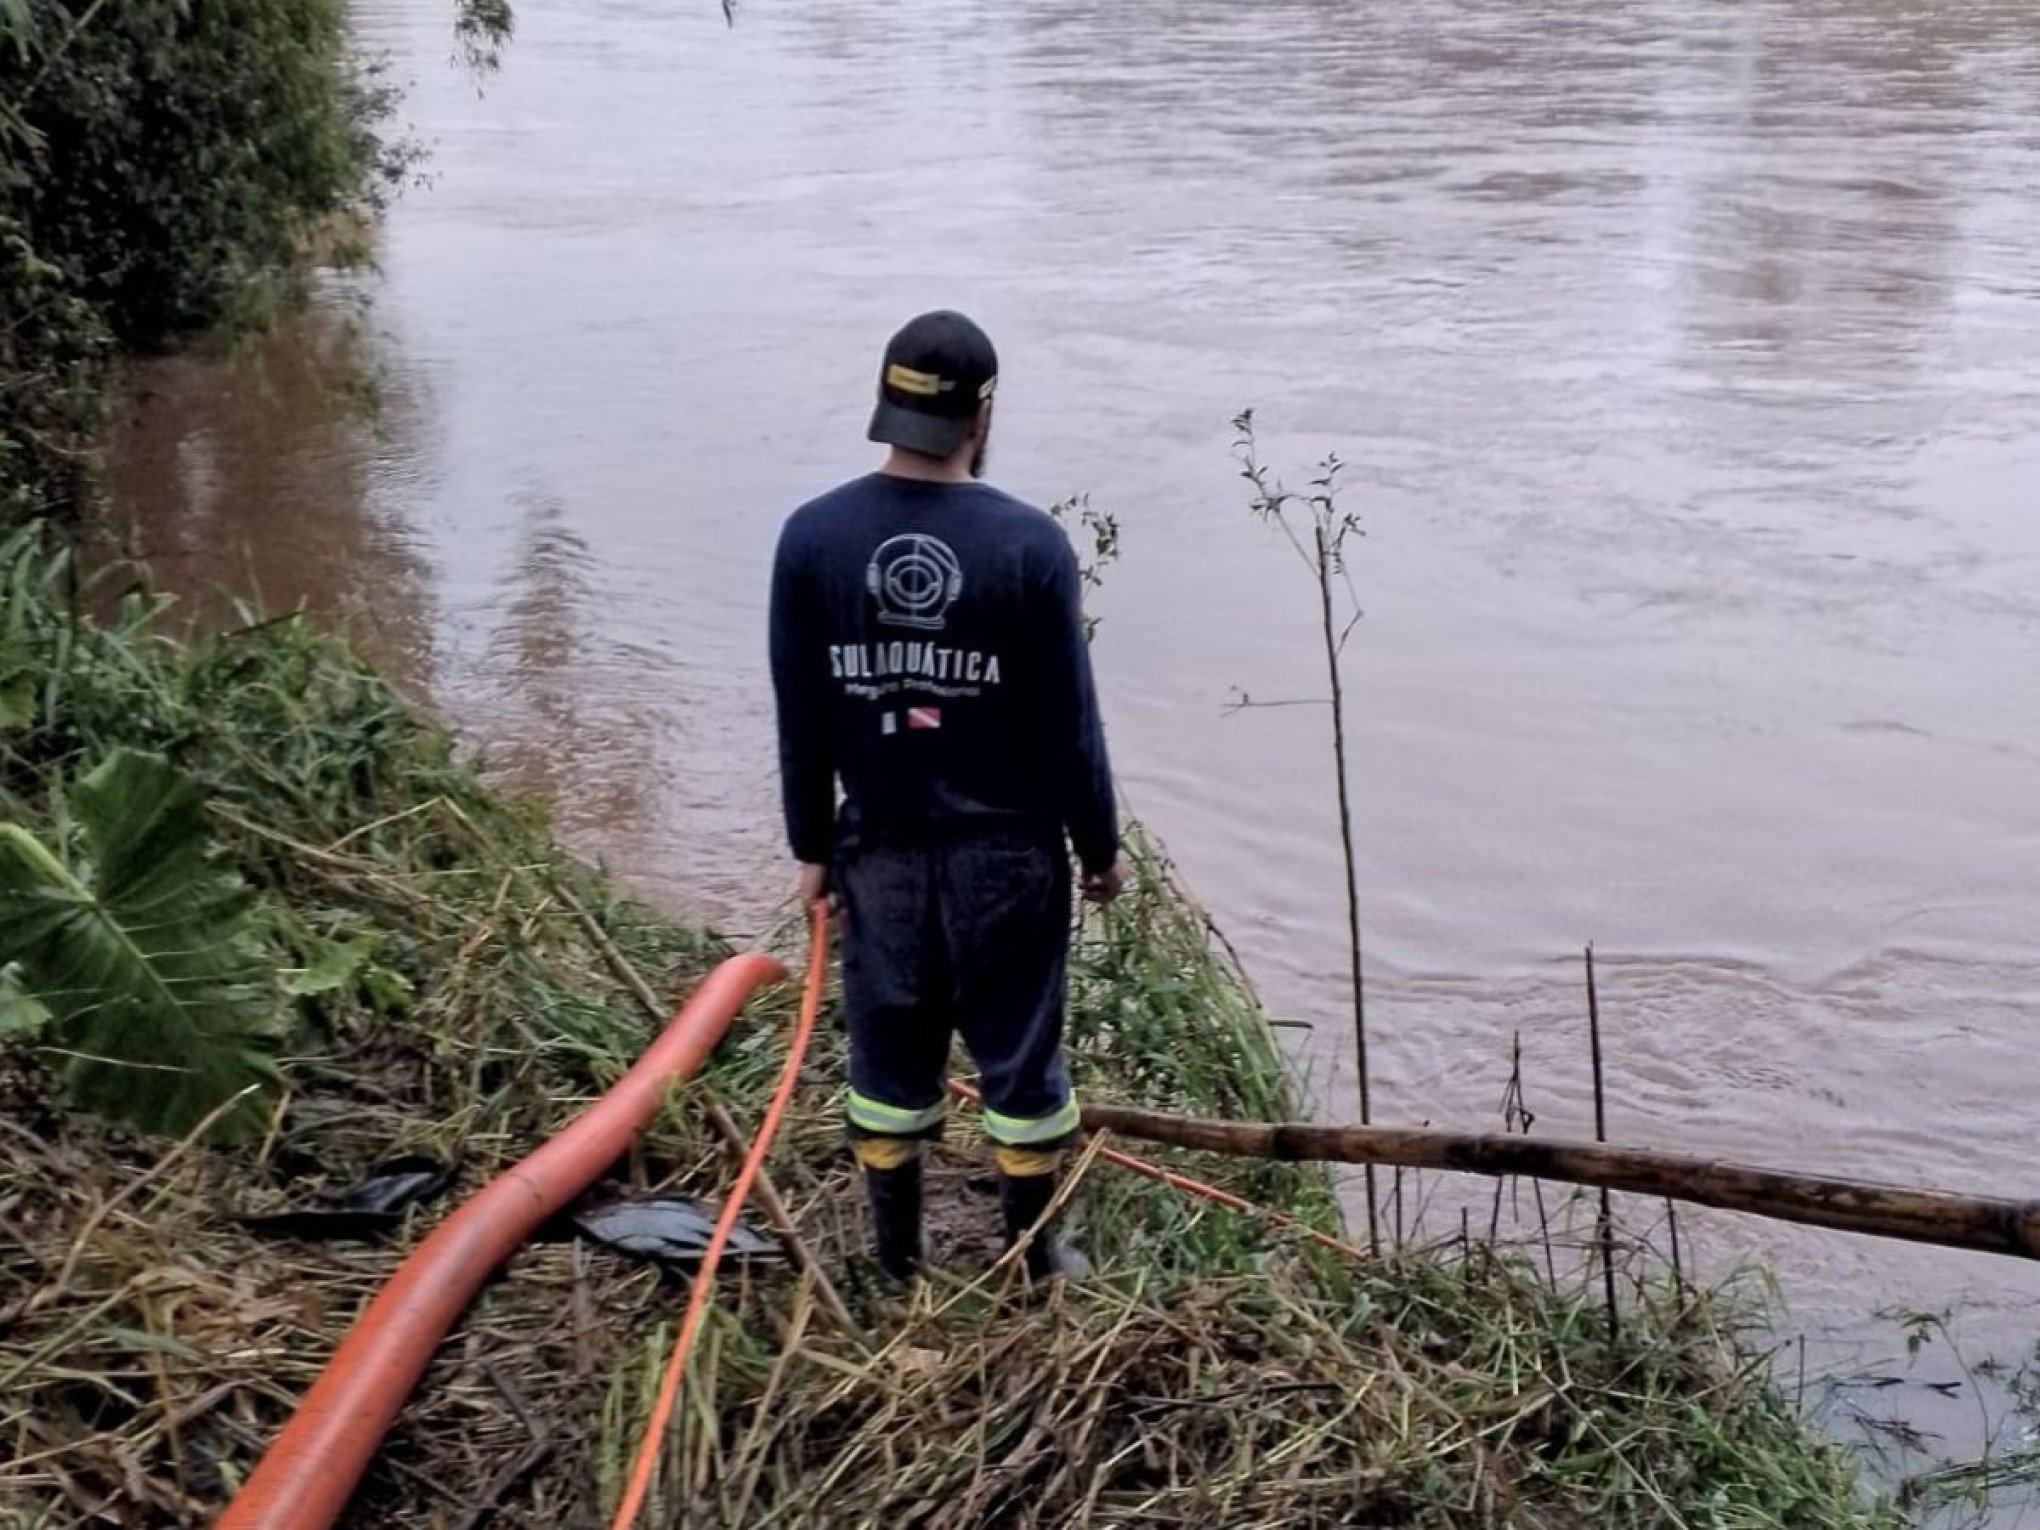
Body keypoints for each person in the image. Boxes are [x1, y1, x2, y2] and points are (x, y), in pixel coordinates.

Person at [768, 309, 1126, 1284]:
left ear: (887, 404)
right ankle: (1033, 1262)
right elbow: (1070, 729)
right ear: (985, 413)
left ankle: (894, 1268)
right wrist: (1100, 847)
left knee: (888, 1055)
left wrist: (812, 847)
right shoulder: (1027, 548)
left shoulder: (812, 540)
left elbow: (800, 717)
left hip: (874, 855)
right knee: (1019, 1060)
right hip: (1006, 861)